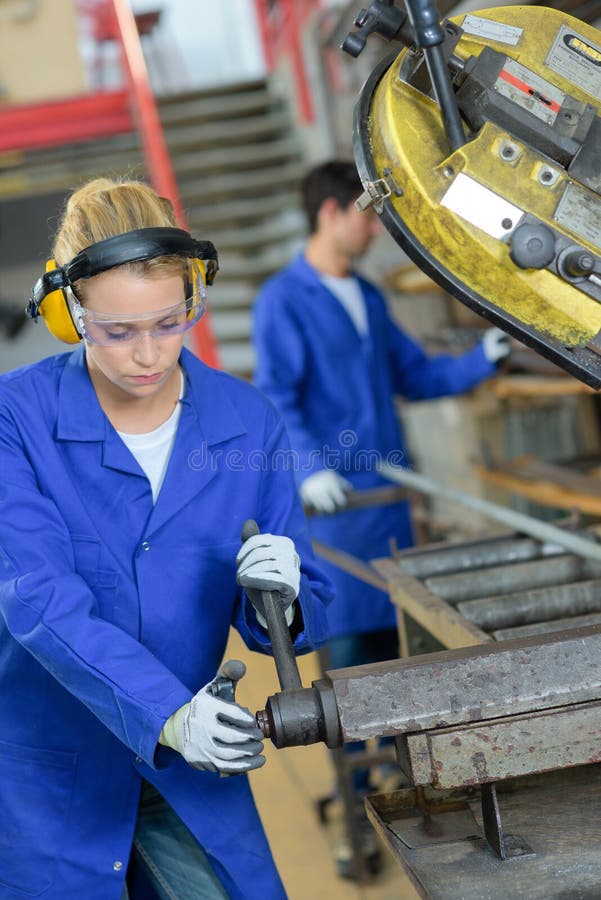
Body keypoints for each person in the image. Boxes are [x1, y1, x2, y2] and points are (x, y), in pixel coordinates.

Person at [0, 176, 332, 900]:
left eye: (168, 323)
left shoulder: (247, 421)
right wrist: (167, 714)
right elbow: (36, 599)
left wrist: (286, 593)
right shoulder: (15, 420)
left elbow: (291, 617)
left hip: (188, 760)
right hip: (51, 765)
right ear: (69, 315)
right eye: (116, 332)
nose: (147, 355)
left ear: (193, 300)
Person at [252, 160, 509, 803]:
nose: (374, 229)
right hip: (336, 512)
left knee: (401, 646)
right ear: (331, 213)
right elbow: (277, 395)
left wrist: (486, 356)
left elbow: (415, 376)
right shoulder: (283, 300)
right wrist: (308, 469)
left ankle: (402, 774)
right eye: (366, 215)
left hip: (388, 502)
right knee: (348, 658)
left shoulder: (367, 297)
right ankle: (362, 791)